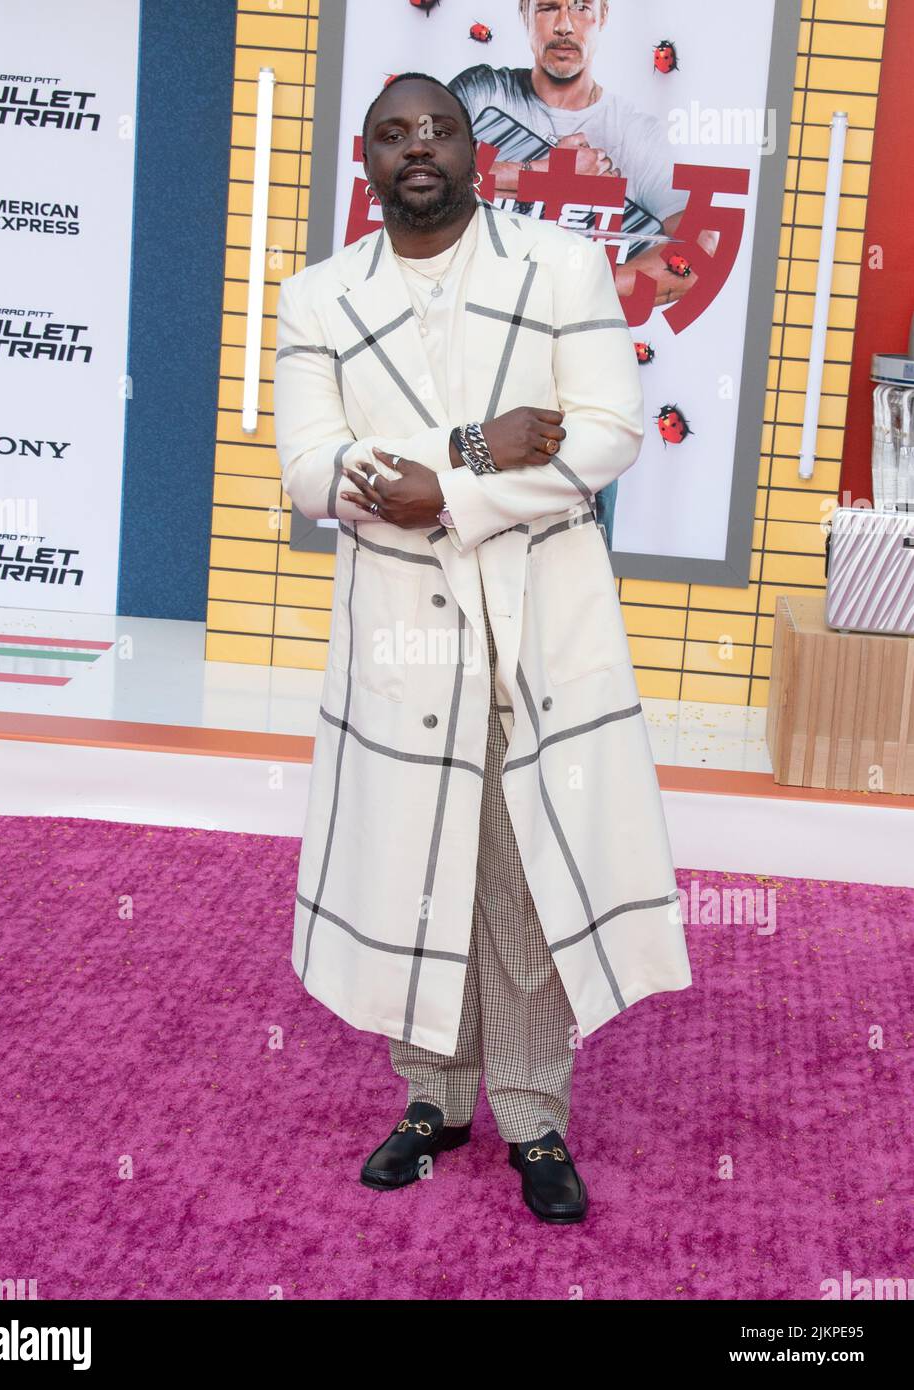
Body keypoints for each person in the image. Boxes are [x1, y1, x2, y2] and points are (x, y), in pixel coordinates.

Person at [273, 71, 691, 1224]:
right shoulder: (316, 296)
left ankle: (531, 1110)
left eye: (439, 129)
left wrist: (447, 494)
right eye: (394, 133)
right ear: (364, 162)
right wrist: (473, 445)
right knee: (415, 866)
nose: (419, 147)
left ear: (477, 152)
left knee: (521, 874)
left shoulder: (557, 266)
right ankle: (431, 1098)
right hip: (402, 639)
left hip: (535, 619)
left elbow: (607, 434)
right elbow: (309, 470)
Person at [449, 0, 717, 548]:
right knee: (452, 574)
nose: (565, 24)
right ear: (524, 13)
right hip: (465, 390)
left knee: (574, 590)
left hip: (577, 413)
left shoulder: (633, 132)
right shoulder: (481, 93)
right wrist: (536, 177)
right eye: (548, 7)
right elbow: (417, 172)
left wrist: (590, 284)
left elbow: (697, 254)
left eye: (582, 8)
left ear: (604, 17)